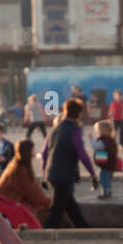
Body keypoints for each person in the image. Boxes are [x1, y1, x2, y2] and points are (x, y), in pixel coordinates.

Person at [40, 97, 98, 228]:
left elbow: (44, 154)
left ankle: (85, 231)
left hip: (52, 174)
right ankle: (43, 236)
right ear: (79, 113)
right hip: (64, 175)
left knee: (70, 207)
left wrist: (44, 174)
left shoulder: (55, 129)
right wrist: (93, 174)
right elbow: (82, 154)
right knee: (57, 210)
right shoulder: (74, 130)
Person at [0, 138, 51, 220]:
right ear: (27, 151)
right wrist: (48, 201)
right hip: (7, 205)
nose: (34, 150)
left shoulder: (17, 165)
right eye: (33, 148)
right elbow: (32, 192)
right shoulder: (20, 170)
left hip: (6, 203)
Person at [92, 119, 119, 198]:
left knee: (103, 179)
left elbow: (95, 147)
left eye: (98, 131)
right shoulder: (111, 140)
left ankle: (106, 193)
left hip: (105, 165)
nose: (97, 133)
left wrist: (90, 139)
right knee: (108, 179)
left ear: (102, 131)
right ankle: (108, 191)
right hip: (111, 164)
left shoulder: (103, 141)